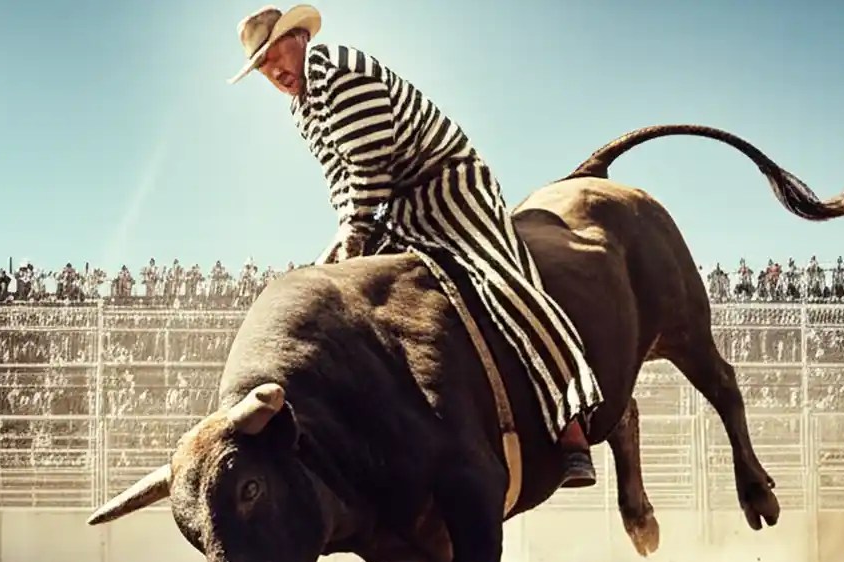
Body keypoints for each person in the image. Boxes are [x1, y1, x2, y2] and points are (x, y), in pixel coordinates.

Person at [227, 4, 604, 487]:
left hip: (447, 184)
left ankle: (571, 421)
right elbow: (339, 179)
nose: (274, 70)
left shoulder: (338, 70)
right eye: (262, 65)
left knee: (498, 280)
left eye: (276, 52)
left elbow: (368, 166)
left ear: (300, 37)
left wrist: (352, 232)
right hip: (397, 208)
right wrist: (339, 246)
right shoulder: (302, 109)